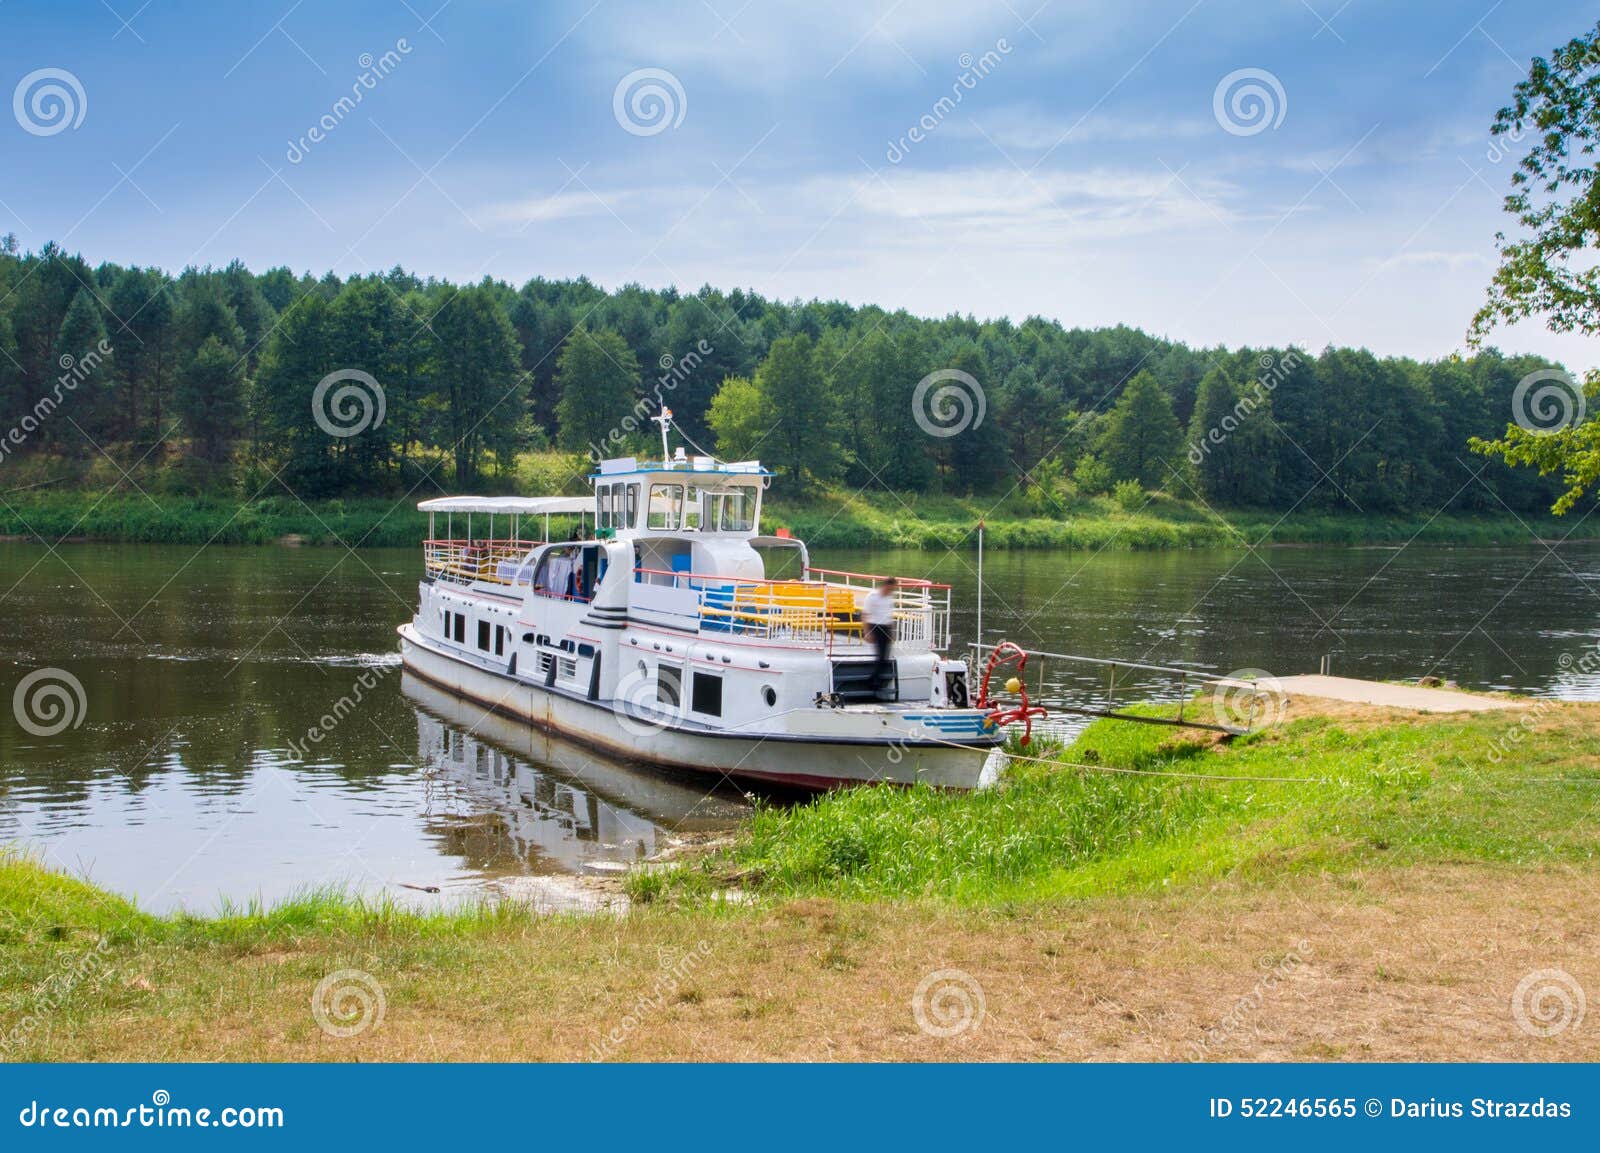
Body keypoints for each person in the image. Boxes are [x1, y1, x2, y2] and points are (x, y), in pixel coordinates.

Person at [862, 576, 898, 699]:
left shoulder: (889, 598)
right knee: (881, 655)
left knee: (885, 656)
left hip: (886, 627)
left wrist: (892, 632)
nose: (892, 591)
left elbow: (889, 616)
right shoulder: (872, 596)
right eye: (891, 588)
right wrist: (867, 632)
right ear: (886, 586)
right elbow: (865, 614)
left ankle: (874, 679)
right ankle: (874, 682)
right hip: (875, 626)